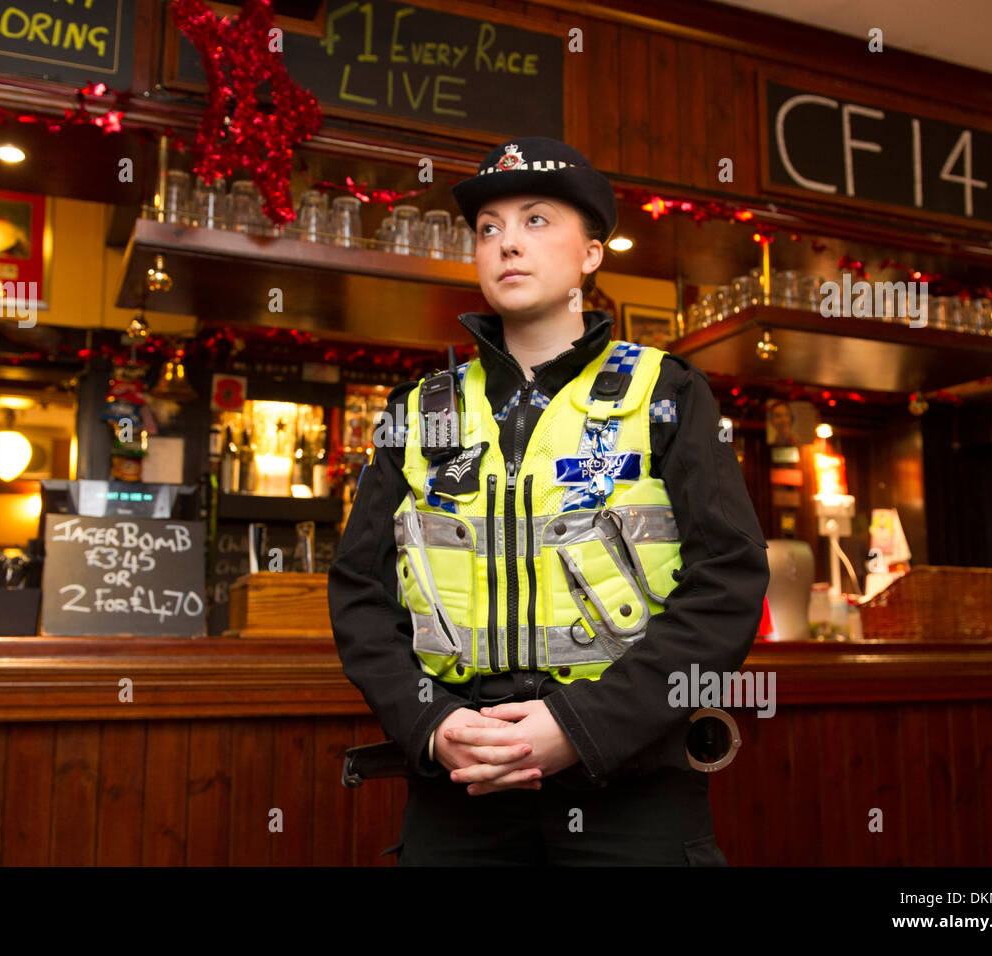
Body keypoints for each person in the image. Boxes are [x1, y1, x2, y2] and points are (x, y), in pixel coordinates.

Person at [328, 136, 769, 865]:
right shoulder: (419, 410)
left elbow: (728, 582)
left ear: (592, 253)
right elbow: (358, 594)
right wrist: (432, 724)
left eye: (536, 221)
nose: (506, 244)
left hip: (628, 786)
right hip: (460, 789)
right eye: (488, 228)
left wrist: (578, 726)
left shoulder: (667, 392)